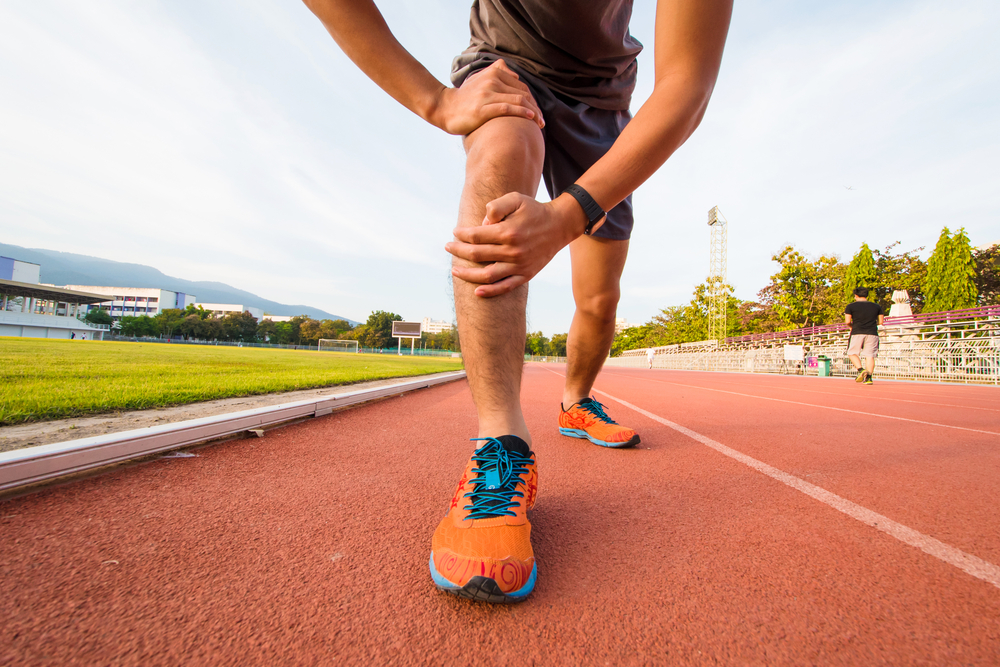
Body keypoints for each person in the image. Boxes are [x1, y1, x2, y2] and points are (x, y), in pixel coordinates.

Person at [304, 0, 732, 603]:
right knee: (500, 155)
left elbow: (688, 84)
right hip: (509, 69)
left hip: (605, 109)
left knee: (600, 299)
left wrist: (567, 217)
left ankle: (576, 403)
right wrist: (435, 100)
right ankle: (502, 445)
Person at [844, 287, 885, 385]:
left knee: (852, 353)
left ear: (856, 296)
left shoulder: (850, 306)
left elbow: (847, 321)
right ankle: (869, 378)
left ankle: (861, 370)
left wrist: (851, 327)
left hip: (857, 332)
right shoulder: (877, 306)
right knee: (870, 356)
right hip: (872, 333)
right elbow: (881, 322)